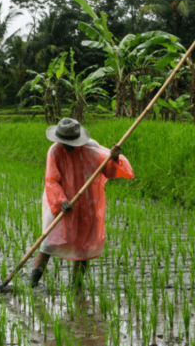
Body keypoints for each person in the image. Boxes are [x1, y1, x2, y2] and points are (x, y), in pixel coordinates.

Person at [30, 118, 134, 290]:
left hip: (87, 201)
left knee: (84, 245)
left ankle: (76, 285)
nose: (68, 146)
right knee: (48, 242)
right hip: (59, 201)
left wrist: (114, 158)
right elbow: (51, 180)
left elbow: (107, 170)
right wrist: (62, 201)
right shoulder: (55, 151)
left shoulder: (90, 148)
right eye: (64, 143)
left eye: (71, 143)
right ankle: (32, 283)